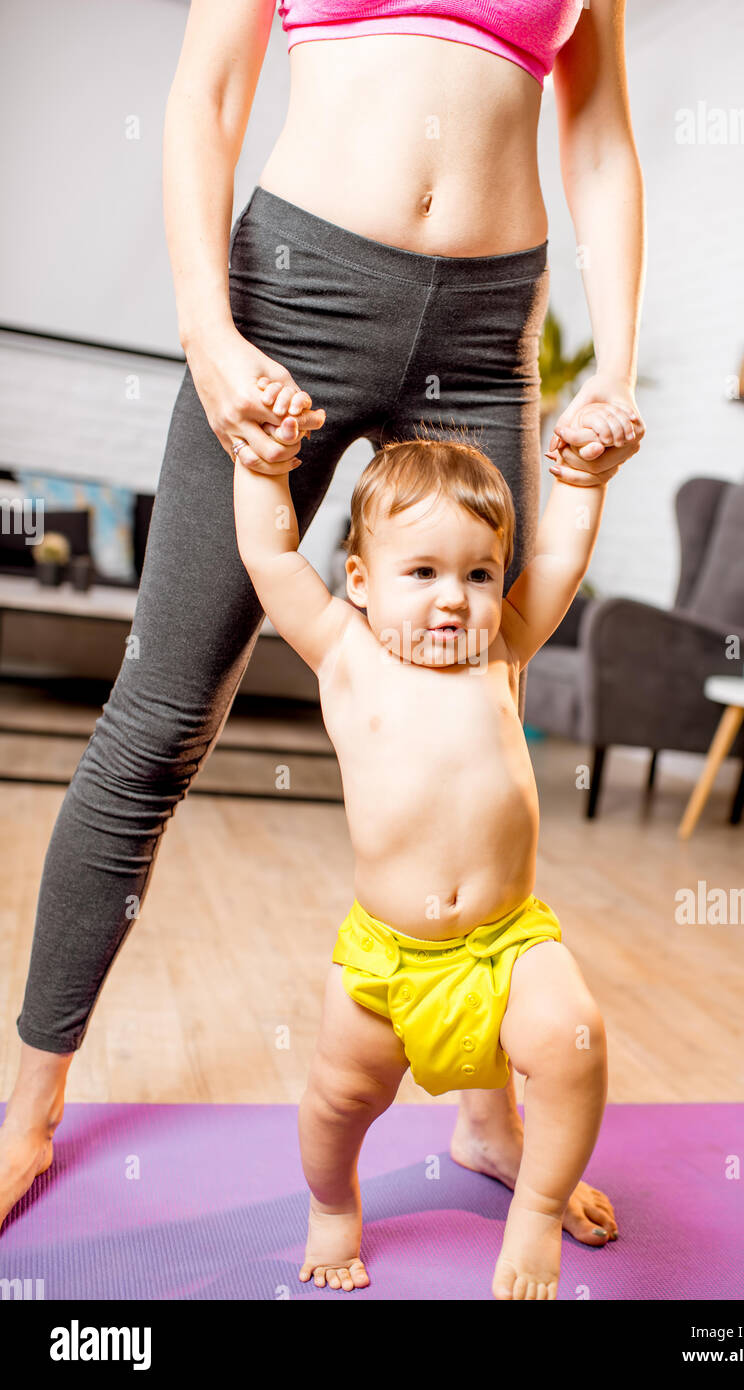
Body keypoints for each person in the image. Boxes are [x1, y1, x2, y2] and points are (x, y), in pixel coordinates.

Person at [0, 0, 644, 1243]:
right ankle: (30, 1102)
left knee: (480, 699)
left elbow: (600, 130)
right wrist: (208, 328)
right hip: (294, 290)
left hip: (488, 311)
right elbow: (208, 91)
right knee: (160, 718)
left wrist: (612, 361)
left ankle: (489, 1120)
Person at [233, 423, 609, 1298]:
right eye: (423, 573)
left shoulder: (503, 650)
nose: (454, 600)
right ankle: (332, 1209)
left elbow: (559, 553)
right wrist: (264, 465)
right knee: (338, 1101)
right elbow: (268, 553)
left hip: (504, 947)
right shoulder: (345, 652)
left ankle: (536, 1210)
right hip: (385, 960)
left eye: (479, 574)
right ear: (360, 582)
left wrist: (584, 477)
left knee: (573, 1045)